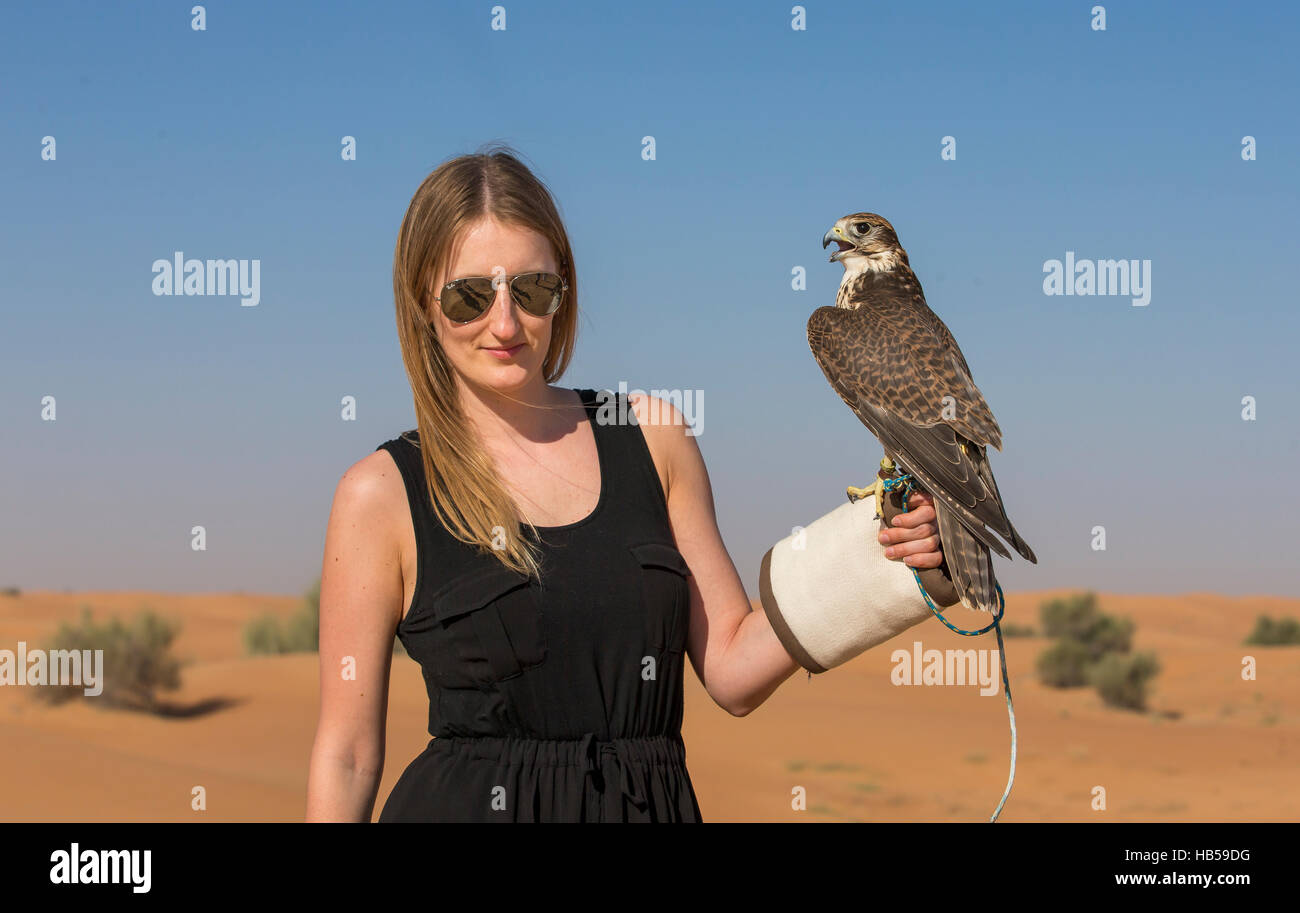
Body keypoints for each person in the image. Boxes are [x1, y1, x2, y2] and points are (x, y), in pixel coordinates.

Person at [304, 143, 947, 822]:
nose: (505, 322)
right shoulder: (380, 493)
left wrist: (891, 554)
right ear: (422, 304)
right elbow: (347, 754)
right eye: (469, 296)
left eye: (532, 289)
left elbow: (732, 669)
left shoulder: (652, 437)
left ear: (564, 289)